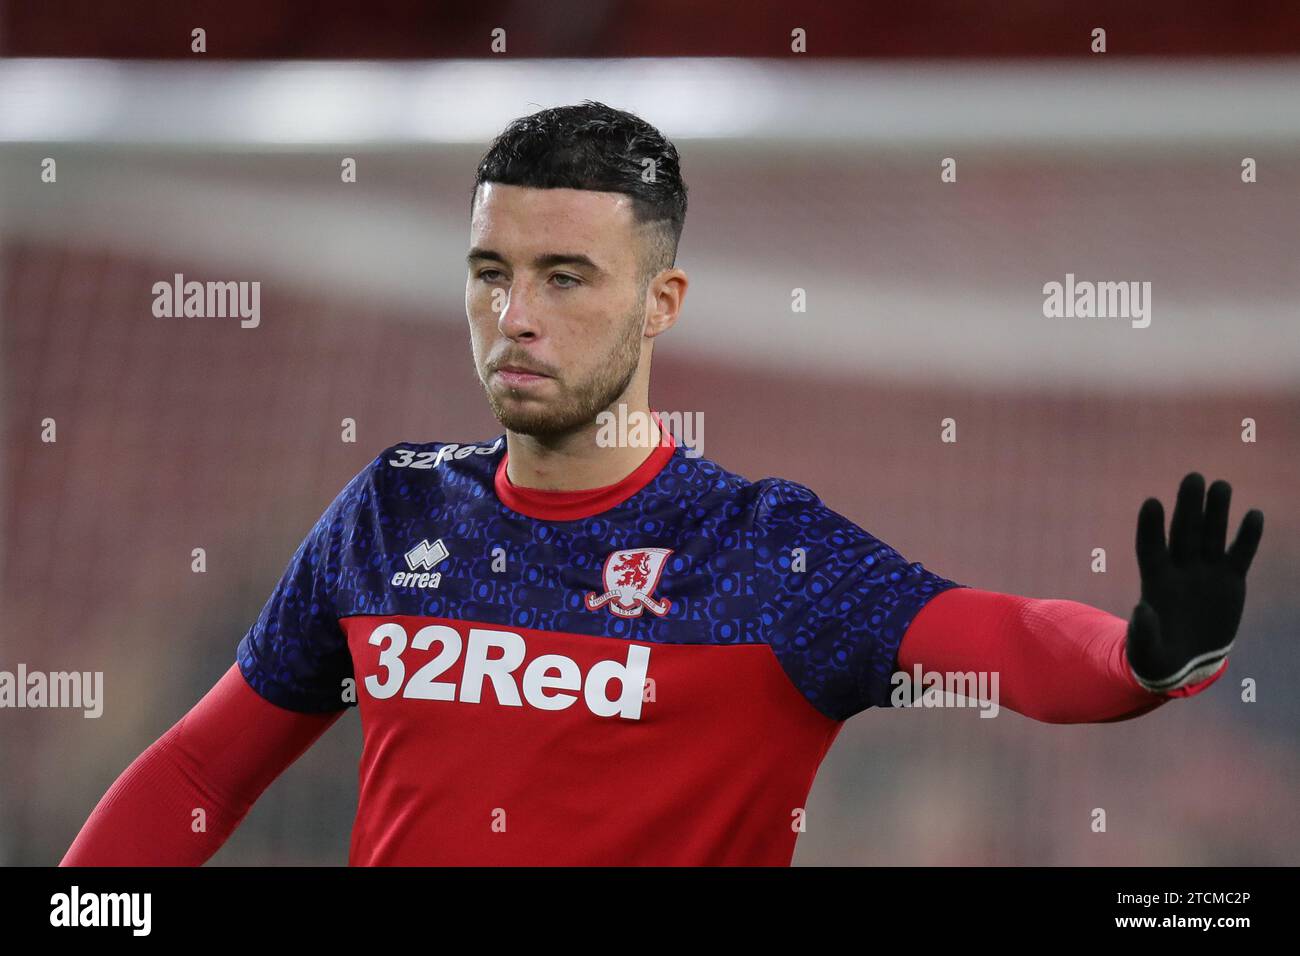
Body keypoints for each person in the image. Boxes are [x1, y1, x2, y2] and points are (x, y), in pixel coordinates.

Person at [61, 101, 1264, 866]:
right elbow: (199, 770)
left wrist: (1146, 655)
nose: (514, 317)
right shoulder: (394, 509)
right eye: (491, 271)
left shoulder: (765, 550)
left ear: (660, 302)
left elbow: (998, 639)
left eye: (567, 277)